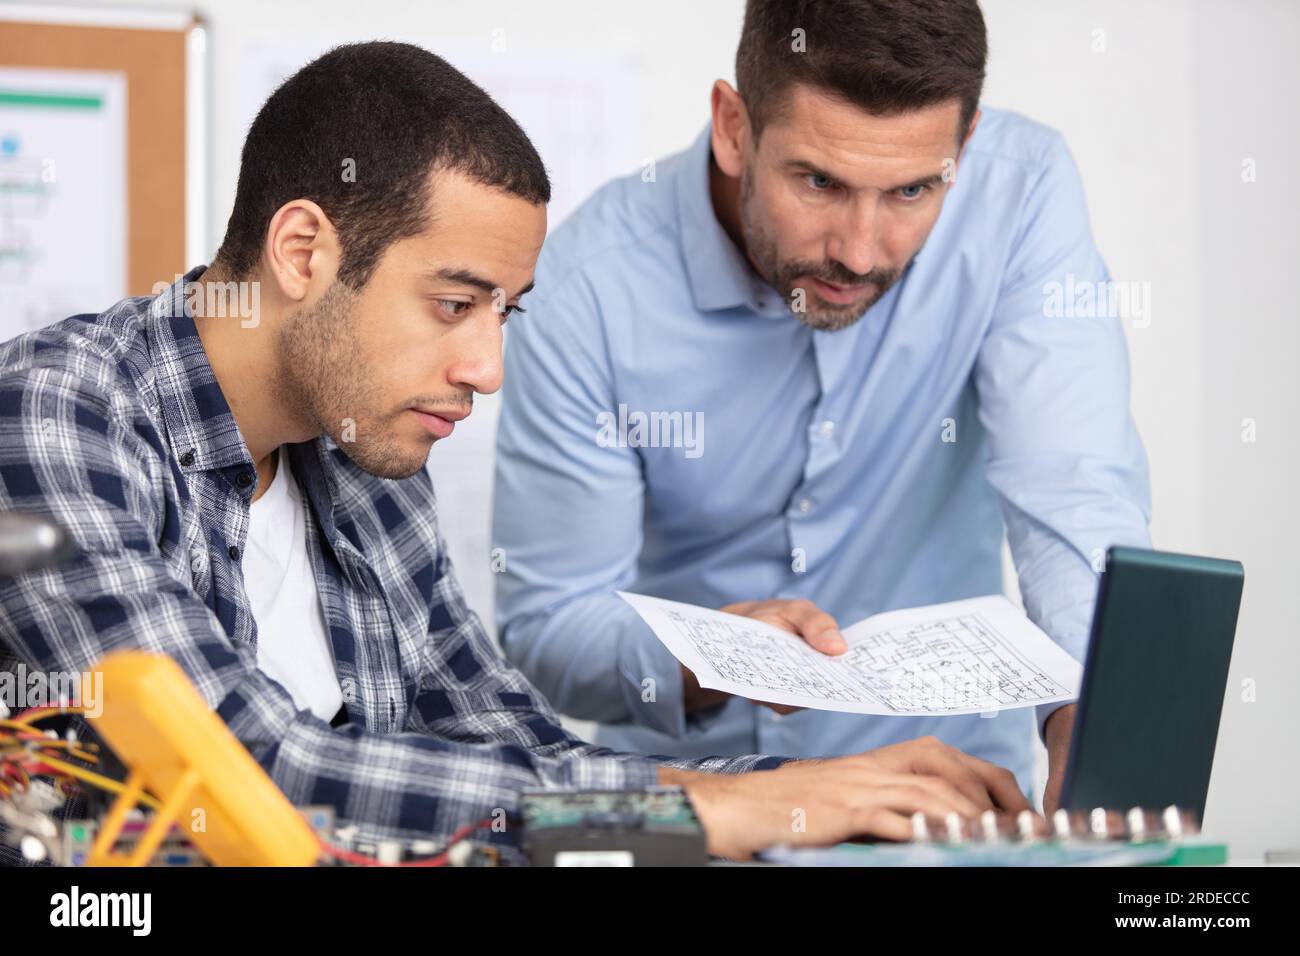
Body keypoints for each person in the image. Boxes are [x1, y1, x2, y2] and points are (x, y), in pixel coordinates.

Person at [0, 41, 1027, 865]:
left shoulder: (362, 448)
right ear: (304, 251)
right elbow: (241, 766)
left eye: (504, 312)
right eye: (453, 304)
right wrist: (718, 808)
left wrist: (812, 792)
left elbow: (509, 744)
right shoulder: (55, 414)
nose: (486, 368)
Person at [493, 0, 1152, 813]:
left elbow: (1071, 487)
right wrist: (708, 656)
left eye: (912, 189)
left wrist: (1096, 720)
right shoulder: (587, 285)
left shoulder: (1020, 195)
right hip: (703, 818)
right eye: (819, 182)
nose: (859, 250)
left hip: (954, 809)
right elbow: (550, 626)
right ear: (734, 127)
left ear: (966, 146)